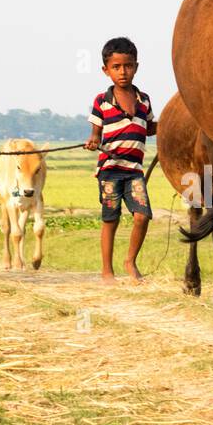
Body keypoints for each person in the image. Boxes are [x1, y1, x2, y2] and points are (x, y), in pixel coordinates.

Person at [83, 37, 156, 283]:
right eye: (116, 67)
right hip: (110, 170)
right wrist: (93, 141)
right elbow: (95, 134)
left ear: (136, 66)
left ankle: (130, 261)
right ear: (106, 70)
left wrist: (171, 127)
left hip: (134, 170)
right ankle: (107, 270)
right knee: (110, 219)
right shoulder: (101, 101)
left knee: (142, 216)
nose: (123, 72)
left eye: (128, 66)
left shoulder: (144, 100)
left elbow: (150, 128)